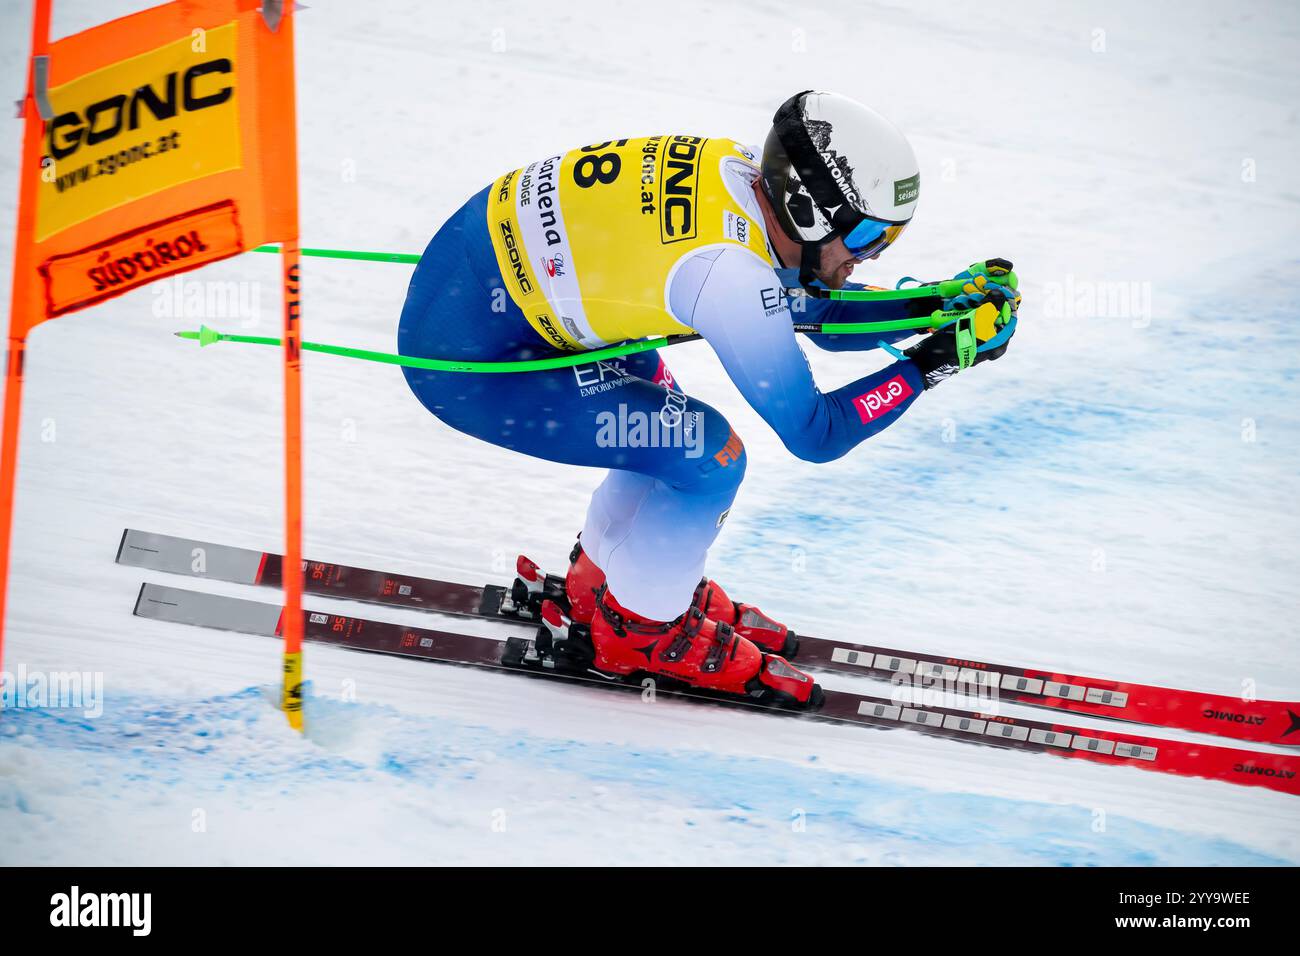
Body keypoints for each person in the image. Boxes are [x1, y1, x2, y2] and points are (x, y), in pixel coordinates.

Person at [398, 91, 1020, 708]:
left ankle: (612, 583)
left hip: (494, 297)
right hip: (474, 361)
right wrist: (938, 359)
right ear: (806, 210)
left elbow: (813, 307)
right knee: (707, 456)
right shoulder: (728, 273)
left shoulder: (749, 179)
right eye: (865, 237)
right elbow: (816, 434)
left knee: (662, 418)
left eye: (888, 239)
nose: (872, 257)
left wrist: (938, 304)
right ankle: (640, 634)